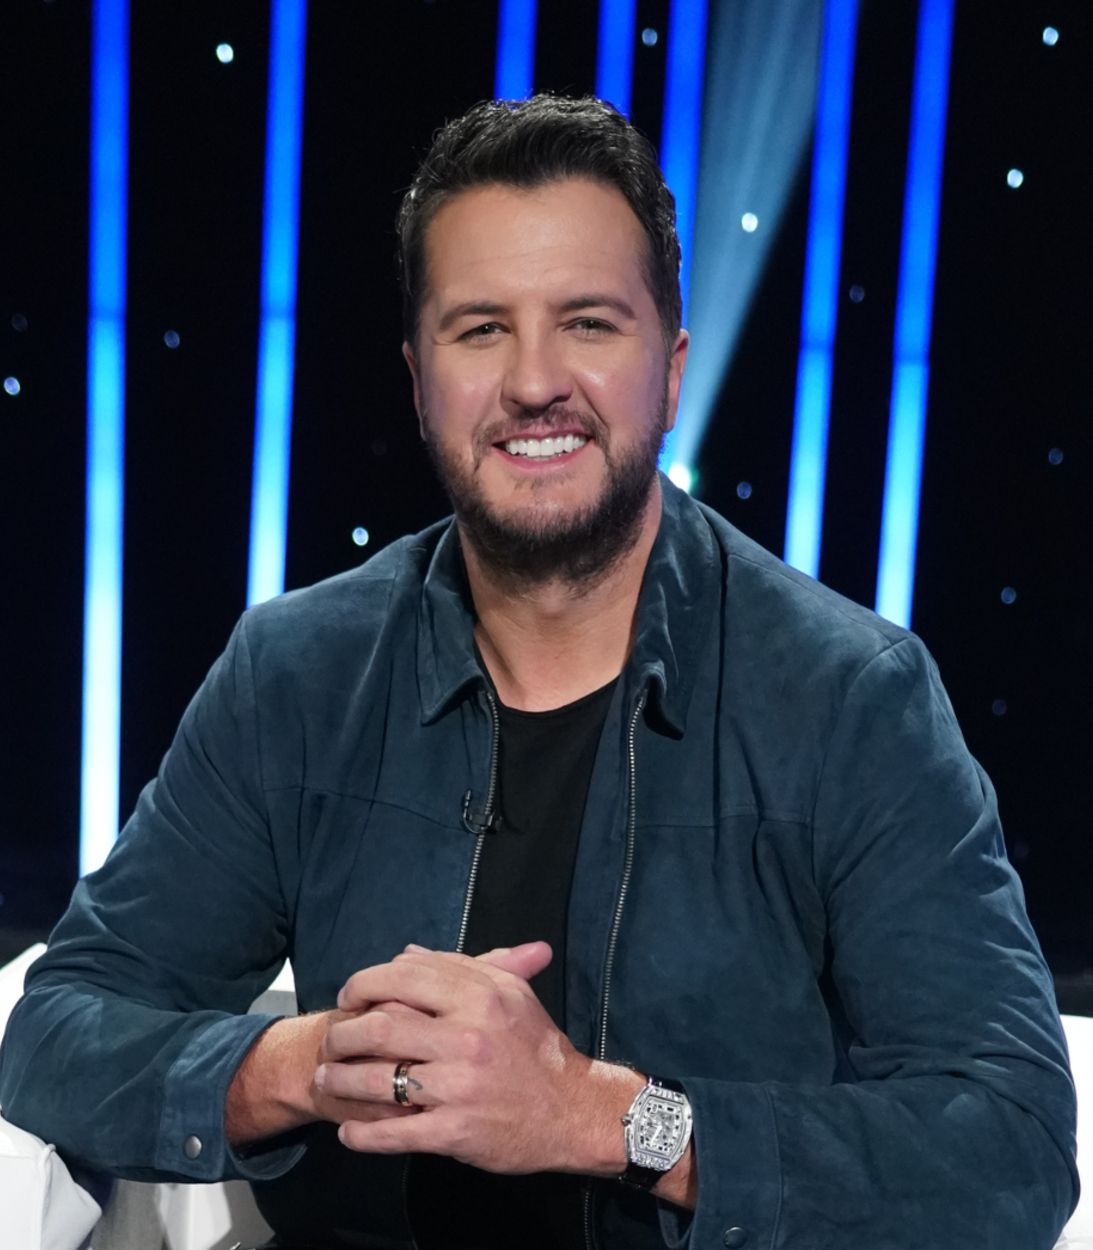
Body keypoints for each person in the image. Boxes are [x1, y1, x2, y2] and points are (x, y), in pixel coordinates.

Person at [0, 95, 1078, 1250]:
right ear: (418, 379)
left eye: (588, 323)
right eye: (479, 329)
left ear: (670, 369)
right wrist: (308, 1063)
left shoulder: (849, 698)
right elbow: (57, 1029)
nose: (532, 381)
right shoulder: (299, 675)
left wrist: (598, 1115)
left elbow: (1007, 1149)